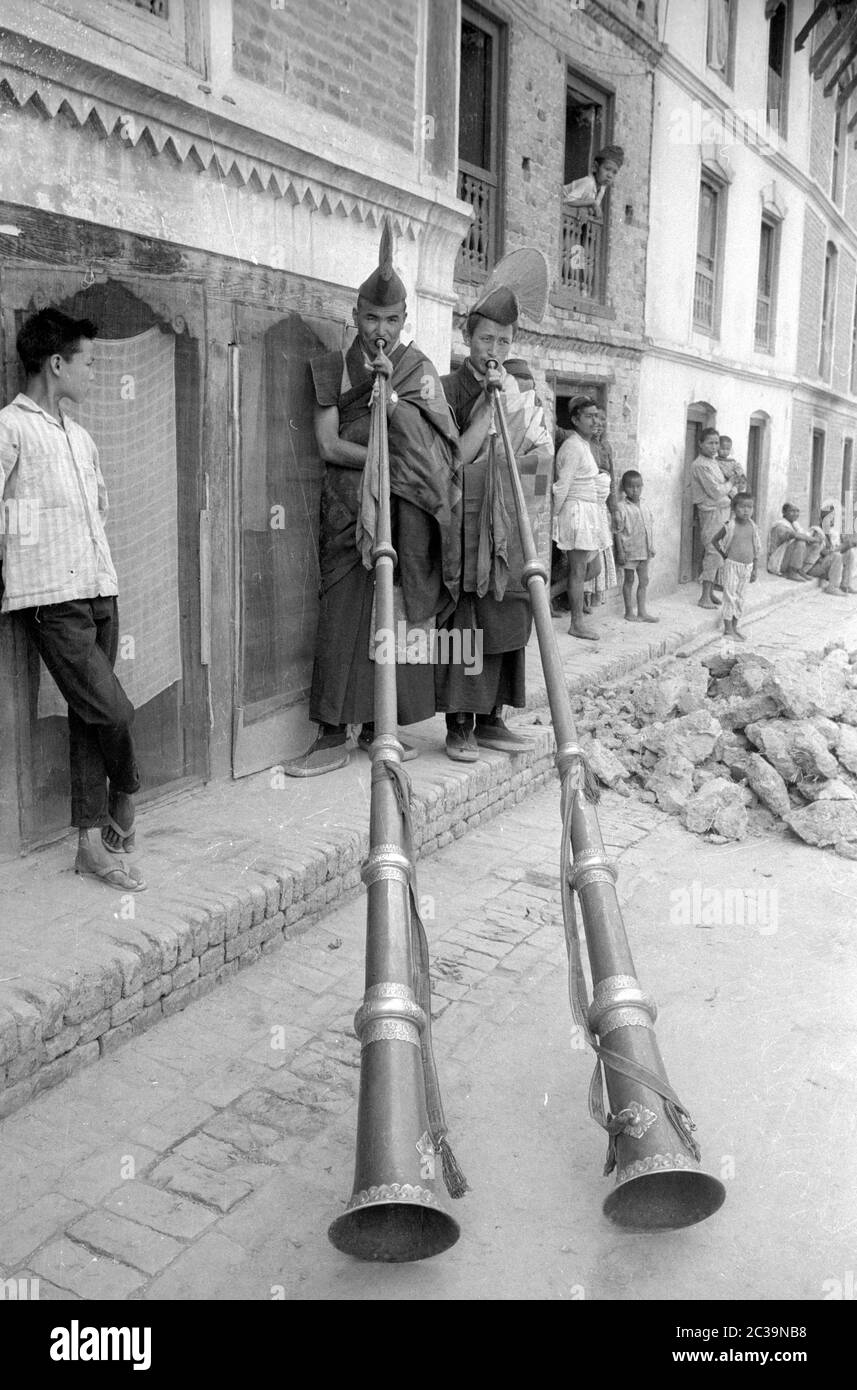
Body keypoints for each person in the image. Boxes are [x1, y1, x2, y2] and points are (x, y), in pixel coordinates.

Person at [285, 222, 461, 777]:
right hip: (345, 509)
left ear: (404, 320)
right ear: (355, 316)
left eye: (390, 320)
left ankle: (382, 726)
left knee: (393, 613)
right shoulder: (331, 367)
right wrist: (381, 448)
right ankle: (332, 733)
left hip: (401, 510)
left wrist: (398, 409)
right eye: (369, 318)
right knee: (343, 614)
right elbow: (328, 444)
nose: (379, 330)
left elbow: (439, 448)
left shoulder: (418, 371)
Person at [0, 308, 145, 890]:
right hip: (51, 598)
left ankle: (90, 848)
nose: (95, 374)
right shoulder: (11, 427)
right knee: (114, 710)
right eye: (89, 362)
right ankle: (127, 794)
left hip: (100, 592)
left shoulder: (81, 437)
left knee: (90, 718)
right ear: (56, 364)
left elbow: (99, 513)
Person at [438, 288, 553, 761]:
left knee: (508, 608)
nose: (495, 352)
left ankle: (493, 716)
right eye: (487, 339)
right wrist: (487, 405)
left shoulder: (519, 389)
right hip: (465, 523)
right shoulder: (446, 389)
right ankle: (460, 722)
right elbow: (452, 458)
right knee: (468, 614)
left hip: (508, 514)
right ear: (467, 337)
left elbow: (539, 467)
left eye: (504, 343)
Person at [552, 395, 604, 640]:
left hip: (588, 511)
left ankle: (544, 596)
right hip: (576, 512)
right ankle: (577, 623)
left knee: (593, 568)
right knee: (579, 570)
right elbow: (562, 485)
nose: (595, 421)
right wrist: (554, 515)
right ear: (575, 419)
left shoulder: (584, 444)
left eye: (597, 415)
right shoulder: (573, 446)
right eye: (589, 416)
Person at [690, 426, 731, 608]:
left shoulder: (713, 462)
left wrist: (730, 487)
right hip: (710, 512)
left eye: (716, 443)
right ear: (700, 444)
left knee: (719, 551)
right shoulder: (700, 465)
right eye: (710, 443)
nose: (714, 447)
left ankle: (711, 592)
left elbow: (723, 486)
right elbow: (716, 491)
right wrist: (731, 484)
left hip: (722, 511)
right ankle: (704, 597)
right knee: (712, 551)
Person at [712, 492, 761, 641]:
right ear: (734, 508)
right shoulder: (730, 525)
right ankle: (728, 629)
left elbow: (756, 548)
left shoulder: (753, 526)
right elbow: (715, 541)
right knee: (729, 596)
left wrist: (755, 568)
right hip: (732, 565)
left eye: (750, 507)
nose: (746, 511)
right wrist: (725, 555)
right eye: (742, 507)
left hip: (747, 566)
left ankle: (735, 627)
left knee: (740, 598)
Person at [614, 469, 657, 623]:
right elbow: (617, 531)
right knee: (629, 580)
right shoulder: (621, 507)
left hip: (644, 551)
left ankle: (642, 611)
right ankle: (628, 611)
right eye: (631, 487)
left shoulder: (645, 505)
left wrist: (651, 546)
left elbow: (649, 528)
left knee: (644, 580)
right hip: (630, 551)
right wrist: (620, 552)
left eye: (638, 486)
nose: (635, 490)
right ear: (624, 488)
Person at [804, 501, 857, 595]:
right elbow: (825, 553)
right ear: (822, 520)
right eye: (829, 519)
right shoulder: (817, 532)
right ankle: (832, 587)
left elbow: (834, 550)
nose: (832, 521)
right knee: (837, 556)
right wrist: (843, 547)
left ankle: (845, 585)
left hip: (825, 565)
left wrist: (847, 546)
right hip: (813, 568)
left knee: (849, 553)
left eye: (833, 519)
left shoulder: (831, 533)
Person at [562, 145, 625, 220]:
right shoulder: (588, 182)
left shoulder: (602, 189)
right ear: (595, 167)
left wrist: (589, 211)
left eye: (614, 172)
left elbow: (592, 210)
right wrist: (592, 203)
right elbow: (566, 200)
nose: (610, 175)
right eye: (607, 169)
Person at [766, 503, 824, 581]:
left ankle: (802, 570)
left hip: (787, 559)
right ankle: (792, 572)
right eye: (792, 511)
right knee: (800, 542)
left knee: (816, 545)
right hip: (778, 562)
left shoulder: (795, 524)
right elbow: (794, 535)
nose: (796, 514)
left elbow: (804, 535)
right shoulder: (780, 525)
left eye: (797, 511)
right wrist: (812, 539)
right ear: (784, 512)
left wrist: (815, 537)